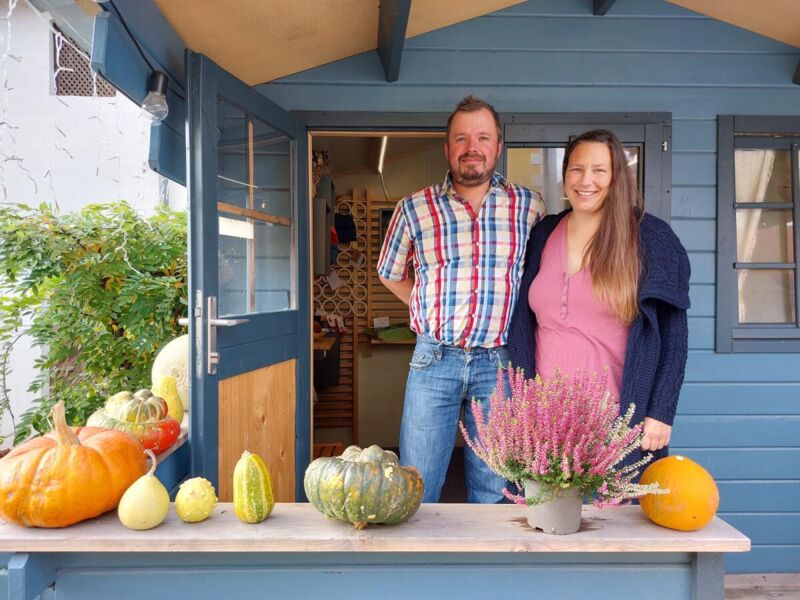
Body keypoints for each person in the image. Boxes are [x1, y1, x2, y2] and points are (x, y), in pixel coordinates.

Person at [377, 96, 546, 503]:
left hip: (500, 361)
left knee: (494, 489)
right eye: (462, 138)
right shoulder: (413, 208)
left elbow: (541, 279)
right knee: (416, 483)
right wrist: (426, 306)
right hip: (434, 360)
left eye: (483, 137)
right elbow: (389, 272)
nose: (472, 147)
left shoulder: (530, 207)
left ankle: (484, 567)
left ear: (498, 146)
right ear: (447, 147)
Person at [506, 129, 690, 473]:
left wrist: (661, 411)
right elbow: (523, 323)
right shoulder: (544, 233)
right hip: (548, 425)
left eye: (598, 170)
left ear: (616, 177)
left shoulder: (650, 237)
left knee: (623, 522)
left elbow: (674, 335)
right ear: (564, 177)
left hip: (618, 423)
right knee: (548, 521)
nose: (585, 180)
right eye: (576, 169)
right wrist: (523, 404)